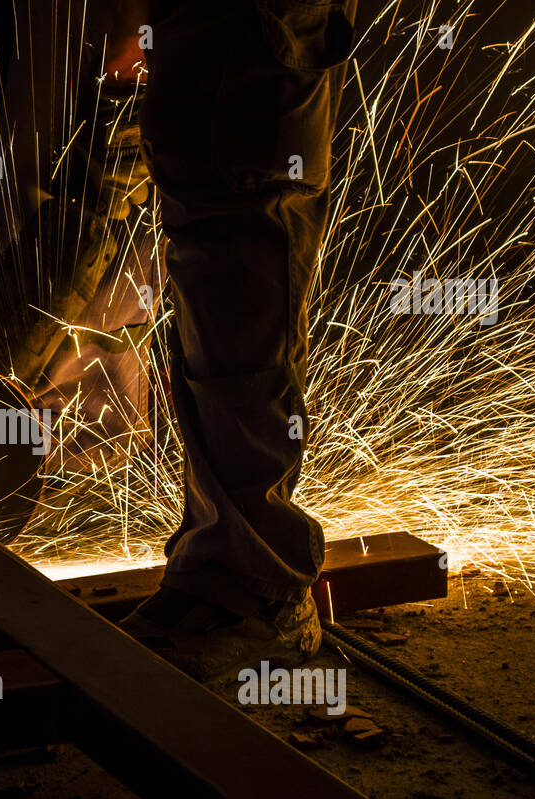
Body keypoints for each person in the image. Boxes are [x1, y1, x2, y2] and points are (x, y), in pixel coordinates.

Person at [119, 0, 358, 682]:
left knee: (239, 254)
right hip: (210, 29)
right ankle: (223, 564)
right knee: (213, 252)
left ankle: (261, 588)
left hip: (248, 24)